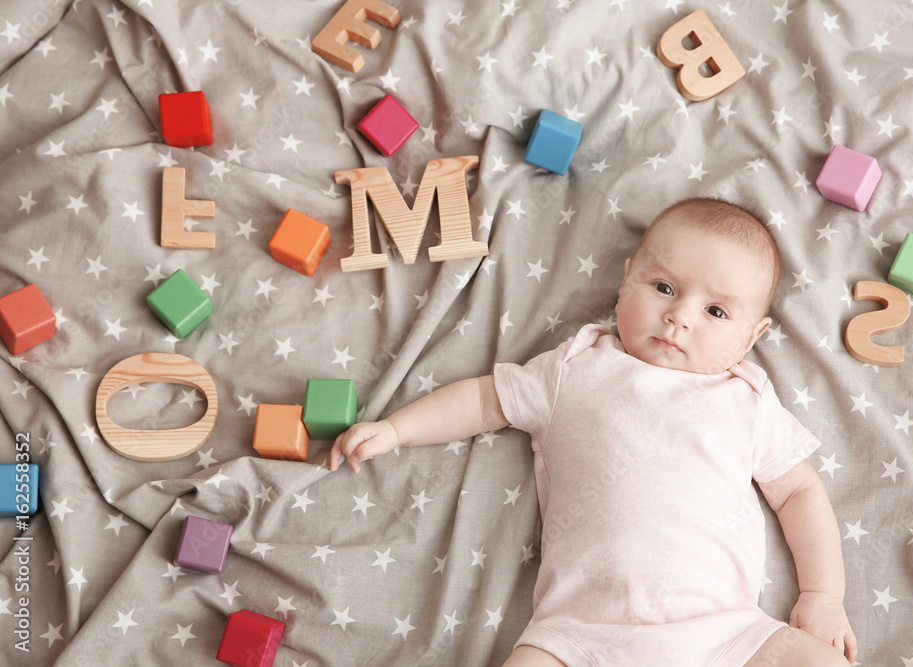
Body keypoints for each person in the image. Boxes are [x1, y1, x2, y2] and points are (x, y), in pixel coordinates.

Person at [330, 198, 858, 666]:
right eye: (664, 287)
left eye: (715, 311)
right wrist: (397, 429)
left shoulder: (746, 398)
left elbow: (799, 491)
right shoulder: (576, 367)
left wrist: (822, 595)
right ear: (626, 281)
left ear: (751, 337)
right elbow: (485, 399)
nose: (679, 317)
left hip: (723, 633)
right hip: (578, 635)